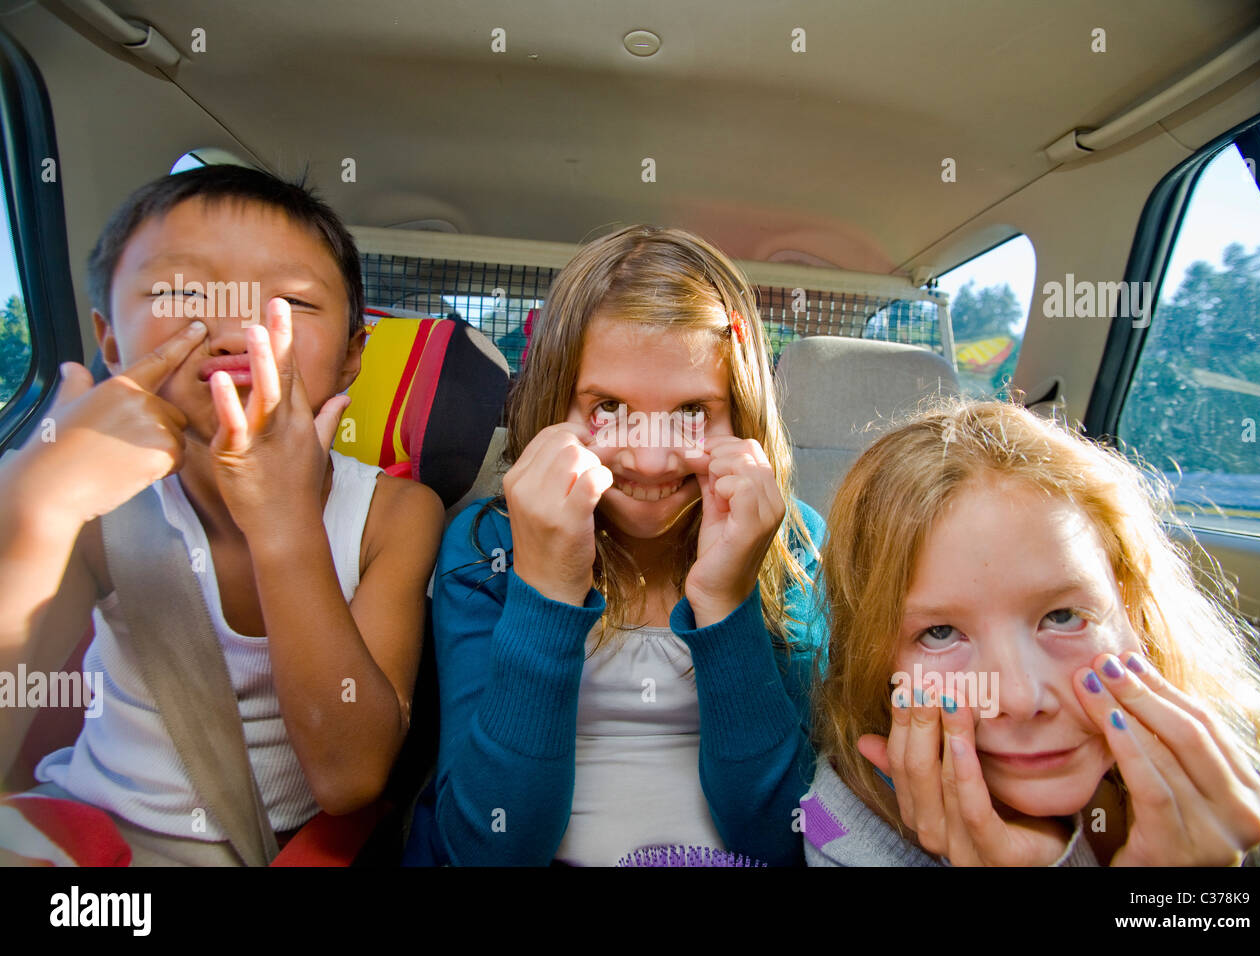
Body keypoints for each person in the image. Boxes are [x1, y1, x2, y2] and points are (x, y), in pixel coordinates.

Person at [0, 165, 442, 865]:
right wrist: (37, 509)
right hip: (88, 834)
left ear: (355, 353)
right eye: (179, 290)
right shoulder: (94, 510)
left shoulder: (394, 515)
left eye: (291, 300)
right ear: (110, 340)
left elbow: (350, 779)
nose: (237, 325)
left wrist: (284, 522)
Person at [404, 225, 823, 867]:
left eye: (691, 412)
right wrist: (545, 590)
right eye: (609, 408)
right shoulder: (487, 546)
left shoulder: (794, 544)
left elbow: (787, 835)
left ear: (740, 416)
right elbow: (487, 850)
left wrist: (726, 600)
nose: (651, 461)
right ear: (554, 406)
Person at [803, 399, 1260, 866]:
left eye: (1062, 617)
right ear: (875, 662)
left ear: (1134, 611)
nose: (1019, 698)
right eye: (940, 632)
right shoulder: (837, 828)